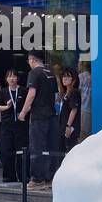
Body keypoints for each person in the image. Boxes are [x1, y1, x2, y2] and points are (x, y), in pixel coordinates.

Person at [20, 51, 59, 189]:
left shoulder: (35, 73)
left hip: (38, 116)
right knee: (50, 146)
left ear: (32, 59)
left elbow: (31, 94)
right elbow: (56, 96)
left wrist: (23, 112)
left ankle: (37, 180)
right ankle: (50, 177)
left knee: (37, 147)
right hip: (52, 115)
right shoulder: (50, 73)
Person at [0, 69, 28, 183]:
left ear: (17, 78)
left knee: (22, 151)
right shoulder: (4, 91)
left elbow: (29, 105)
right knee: (6, 150)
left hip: (21, 125)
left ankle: (23, 175)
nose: (12, 78)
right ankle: (9, 175)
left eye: (14, 76)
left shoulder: (23, 90)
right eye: (9, 76)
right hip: (7, 125)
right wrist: (7, 107)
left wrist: (24, 112)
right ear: (6, 79)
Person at [60, 67, 82, 152]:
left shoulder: (74, 92)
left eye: (68, 76)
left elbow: (74, 110)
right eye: (63, 76)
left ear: (73, 79)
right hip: (63, 129)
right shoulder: (65, 93)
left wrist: (68, 126)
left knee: (69, 152)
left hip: (70, 130)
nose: (64, 79)